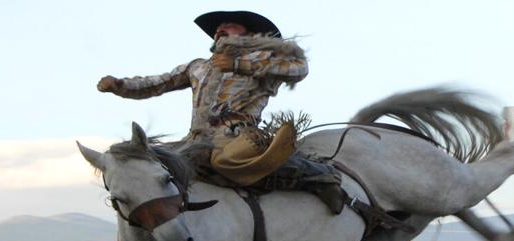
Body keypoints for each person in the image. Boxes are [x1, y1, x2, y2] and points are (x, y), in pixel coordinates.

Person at [95, 13, 345, 213]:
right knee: (148, 161)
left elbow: (298, 68)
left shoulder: (263, 58)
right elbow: (158, 82)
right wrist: (121, 85)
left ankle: (318, 177)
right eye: (217, 28)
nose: (220, 29)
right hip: (197, 139)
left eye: (230, 25)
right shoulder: (198, 67)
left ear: (251, 35)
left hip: (238, 136)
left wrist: (239, 64)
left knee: (226, 161)